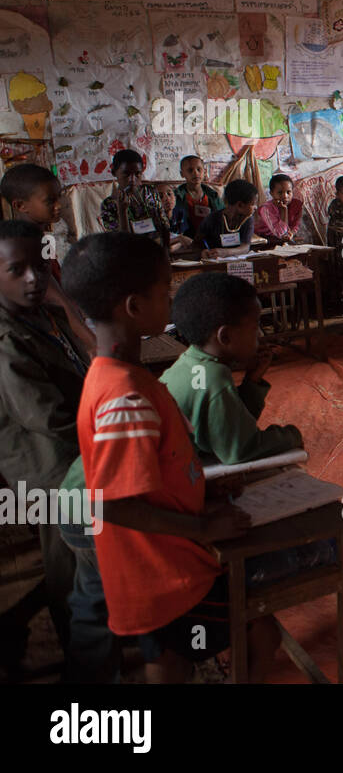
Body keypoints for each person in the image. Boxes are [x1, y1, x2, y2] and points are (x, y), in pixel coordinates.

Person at [61, 232, 280, 682]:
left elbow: (149, 470)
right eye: (166, 291)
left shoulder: (118, 375)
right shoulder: (124, 394)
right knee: (256, 636)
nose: (172, 300)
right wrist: (202, 527)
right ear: (135, 307)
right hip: (164, 572)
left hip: (154, 572)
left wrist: (198, 486)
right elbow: (112, 502)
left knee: (171, 656)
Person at [0, 220, 88, 675]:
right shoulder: (7, 339)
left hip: (72, 456)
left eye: (40, 266)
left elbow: (85, 358)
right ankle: (80, 659)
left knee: (79, 556)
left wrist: (64, 301)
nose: (34, 278)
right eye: (18, 269)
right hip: (48, 469)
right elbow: (48, 418)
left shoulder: (42, 314)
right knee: (65, 566)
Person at [161, 273, 303, 465]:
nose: (260, 334)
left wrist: (251, 382)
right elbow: (240, 449)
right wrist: (291, 435)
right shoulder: (214, 377)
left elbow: (231, 425)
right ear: (225, 336)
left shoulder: (189, 362)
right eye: (255, 327)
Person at [0, 164, 93, 349]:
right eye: (50, 201)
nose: (59, 205)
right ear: (20, 205)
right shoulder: (24, 247)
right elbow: (57, 297)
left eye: (59, 197)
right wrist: (92, 342)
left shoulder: (44, 237)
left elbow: (56, 282)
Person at [98, 149, 170, 252]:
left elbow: (164, 226)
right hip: (129, 259)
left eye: (137, 174)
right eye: (126, 174)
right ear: (114, 173)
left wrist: (166, 253)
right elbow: (121, 241)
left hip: (156, 253)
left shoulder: (150, 193)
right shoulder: (109, 205)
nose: (132, 179)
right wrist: (122, 211)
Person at [197, 179, 257, 258]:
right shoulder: (212, 219)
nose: (256, 207)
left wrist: (225, 252)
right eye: (253, 204)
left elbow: (245, 248)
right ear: (240, 205)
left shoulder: (248, 219)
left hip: (237, 263)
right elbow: (197, 244)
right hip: (214, 263)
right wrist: (203, 252)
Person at [174, 155, 223, 227]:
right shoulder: (176, 196)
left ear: (204, 172)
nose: (196, 173)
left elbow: (222, 217)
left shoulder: (213, 195)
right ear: (182, 174)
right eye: (190, 170)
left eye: (199, 169)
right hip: (185, 236)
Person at [256, 173, 304, 243]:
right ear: (271, 193)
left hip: (285, 237)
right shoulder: (266, 209)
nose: (285, 196)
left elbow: (296, 224)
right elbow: (280, 233)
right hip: (266, 240)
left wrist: (291, 233)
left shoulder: (297, 204)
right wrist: (283, 210)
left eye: (288, 192)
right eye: (280, 193)